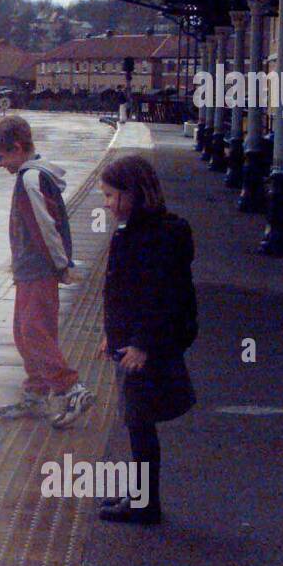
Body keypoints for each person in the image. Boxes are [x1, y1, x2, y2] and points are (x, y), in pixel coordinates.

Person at [96, 155, 198, 524]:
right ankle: (141, 497)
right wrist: (112, 335)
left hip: (144, 346)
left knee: (140, 422)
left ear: (134, 193)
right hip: (131, 342)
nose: (106, 204)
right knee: (137, 422)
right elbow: (122, 292)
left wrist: (141, 343)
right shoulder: (136, 229)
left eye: (110, 195)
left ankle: (145, 504)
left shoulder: (156, 236)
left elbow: (162, 295)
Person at [0, 115, 95, 428]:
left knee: (35, 332)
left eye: (0, 156)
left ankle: (71, 389)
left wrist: (62, 265)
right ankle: (36, 394)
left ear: (17, 148)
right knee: (24, 332)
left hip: (38, 270)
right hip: (28, 269)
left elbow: (45, 227)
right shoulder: (30, 175)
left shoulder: (30, 179)